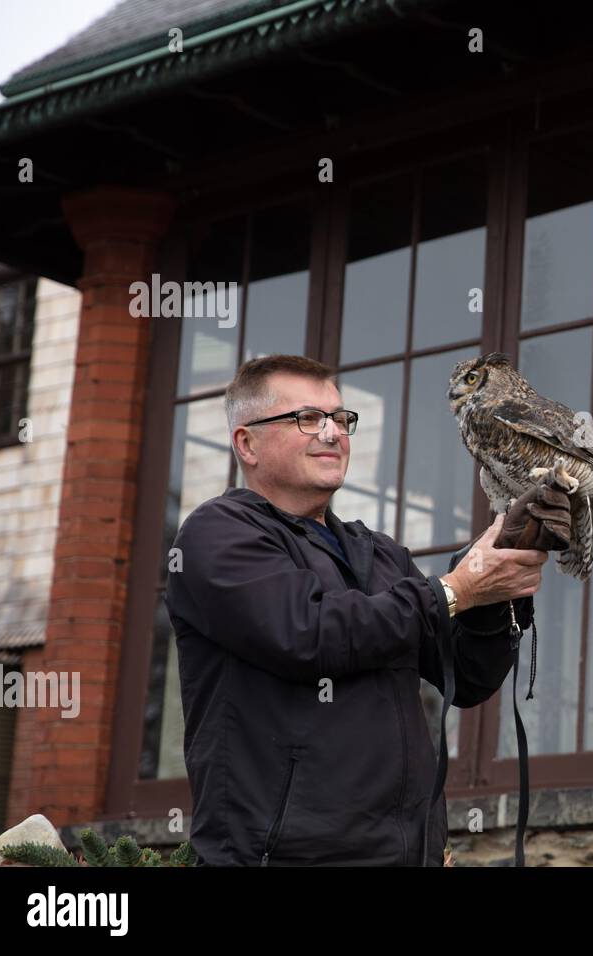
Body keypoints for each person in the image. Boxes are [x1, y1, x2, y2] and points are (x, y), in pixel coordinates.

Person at [164, 354, 568, 865]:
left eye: (340, 418)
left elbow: (465, 678)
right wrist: (457, 588)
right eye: (307, 418)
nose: (331, 433)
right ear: (247, 443)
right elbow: (311, 635)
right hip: (282, 858)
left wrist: (493, 586)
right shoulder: (217, 534)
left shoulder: (378, 554)